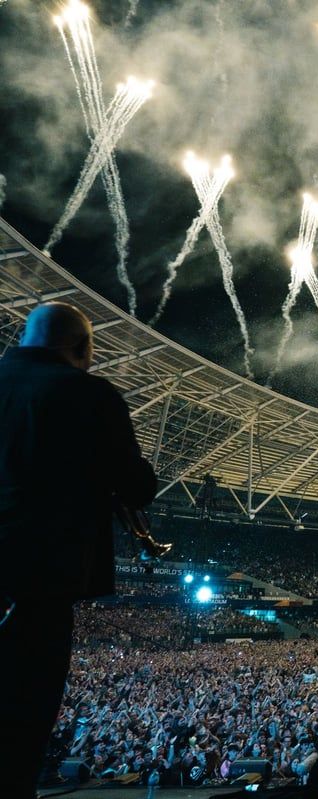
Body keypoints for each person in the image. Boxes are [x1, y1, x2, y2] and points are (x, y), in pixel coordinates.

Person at [0, 302, 157, 799]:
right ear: (82, 348)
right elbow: (137, 487)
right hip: (40, 579)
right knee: (24, 714)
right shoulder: (87, 394)